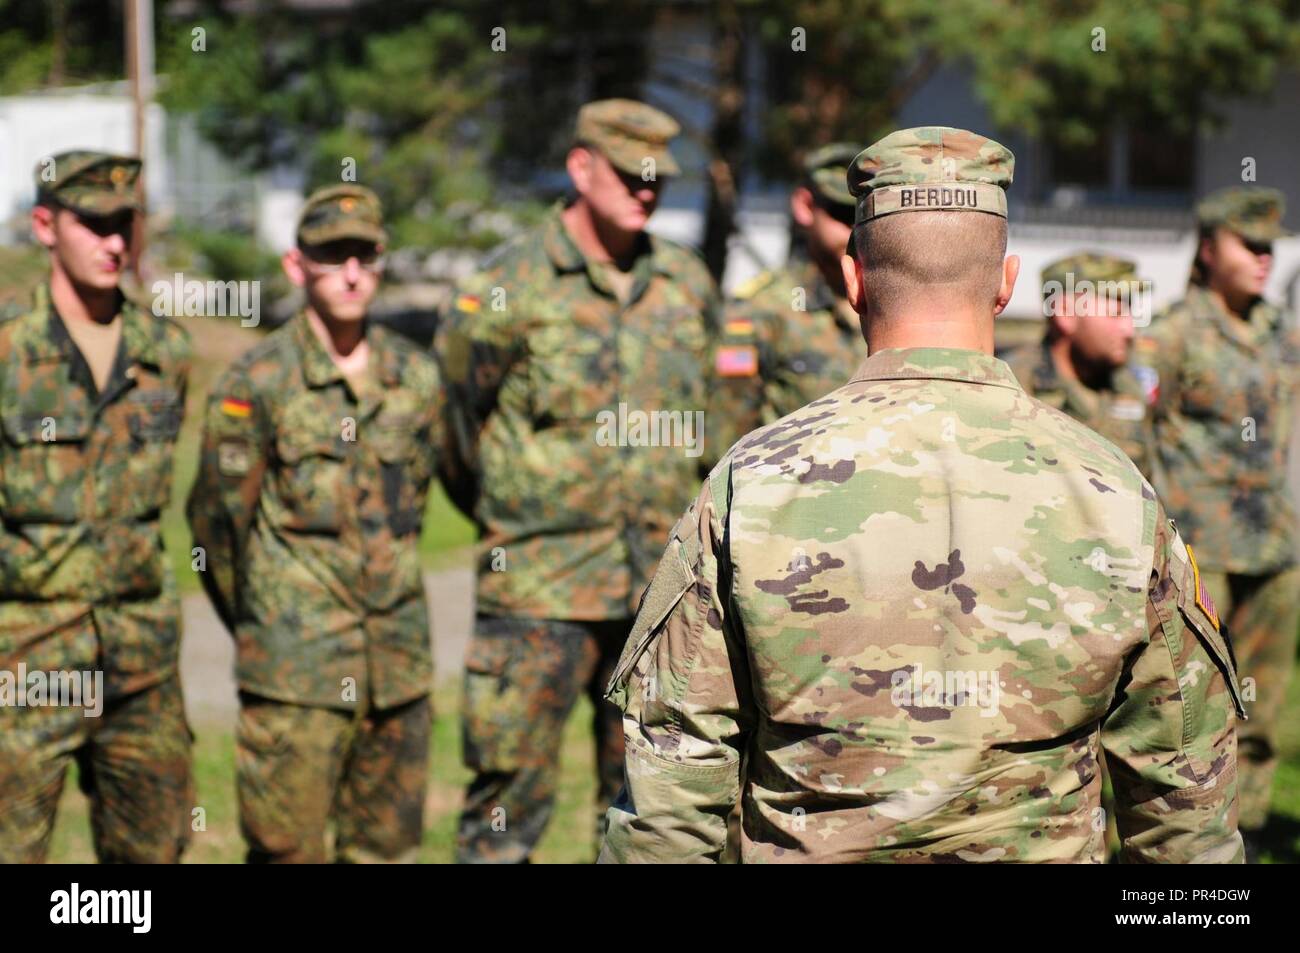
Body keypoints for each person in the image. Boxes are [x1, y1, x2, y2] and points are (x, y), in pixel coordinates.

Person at [599, 127, 1244, 864]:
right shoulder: (1115, 492)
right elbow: (1186, 808)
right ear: (1006, 282)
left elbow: (670, 804)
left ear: (852, 279)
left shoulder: (749, 484)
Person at [435, 98, 720, 863]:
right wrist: (514, 516)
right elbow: (456, 427)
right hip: (535, 588)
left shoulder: (686, 284)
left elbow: (710, 430)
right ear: (580, 167)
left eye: (658, 177)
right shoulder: (508, 285)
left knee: (647, 811)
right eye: (630, 174)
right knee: (503, 806)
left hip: (655, 594)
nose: (646, 190)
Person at [187, 185, 444, 863]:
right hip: (293, 675)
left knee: (387, 852)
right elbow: (216, 526)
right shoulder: (256, 380)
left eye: (365, 254)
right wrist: (270, 620)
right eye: (334, 256)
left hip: (398, 666)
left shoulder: (416, 377)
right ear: (298, 266)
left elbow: (420, 496)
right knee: (285, 852)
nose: (353, 271)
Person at [0, 151, 193, 862]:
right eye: (95, 224)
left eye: (126, 225)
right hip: (25, 662)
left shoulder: (165, 350)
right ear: (45, 225)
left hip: (141, 662)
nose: (115, 243)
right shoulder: (8, 349)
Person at [1135, 185, 1299, 860]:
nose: (1263, 258)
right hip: (1202, 552)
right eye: (1248, 244)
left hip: (1273, 545)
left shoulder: (1279, 333)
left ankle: (1251, 829)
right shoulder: (1168, 334)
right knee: (1192, 708)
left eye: (1269, 246)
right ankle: (1185, 837)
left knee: (1264, 706)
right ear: (1209, 249)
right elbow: (1136, 430)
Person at [715, 143, 868, 448]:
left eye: (864, 214)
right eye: (841, 213)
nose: (853, 228)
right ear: (805, 206)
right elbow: (727, 438)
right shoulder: (760, 309)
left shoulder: (895, 301)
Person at [1004, 252, 1158, 480]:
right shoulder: (1012, 386)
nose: (1129, 330)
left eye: (1130, 313)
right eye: (1115, 314)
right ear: (1066, 313)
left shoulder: (1129, 386)